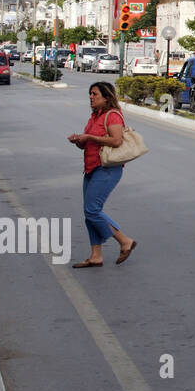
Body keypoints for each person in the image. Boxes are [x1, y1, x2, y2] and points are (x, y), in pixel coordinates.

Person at [67, 81, 138, 267]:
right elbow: (89, 143)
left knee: (92, 210)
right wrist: (79, 140)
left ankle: (125, 241)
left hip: (106, 168)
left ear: (106, 98)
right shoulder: (95, 116)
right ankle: (96, 255)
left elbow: (116, 141)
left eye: (95, 94)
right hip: (91, 167)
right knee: (89, 212)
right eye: (90, 94)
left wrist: (89, 137)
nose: (91, 97)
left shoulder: (112, 115)